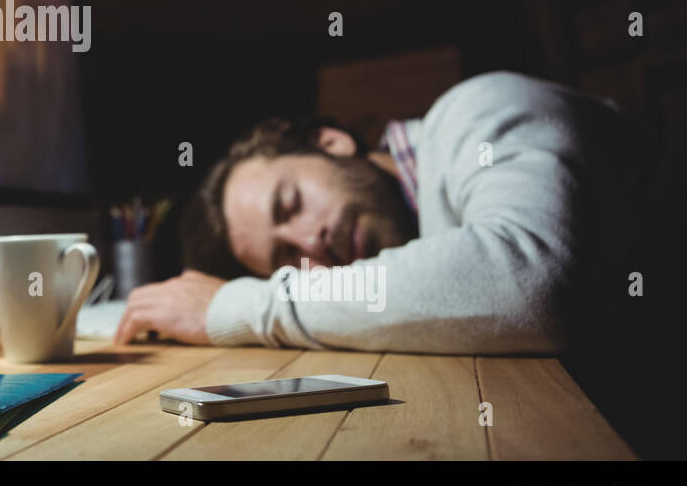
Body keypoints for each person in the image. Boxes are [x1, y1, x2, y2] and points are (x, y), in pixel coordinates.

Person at [112, 71, 640, 355]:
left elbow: (533, 285)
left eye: (290, 203)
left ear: (333, 142)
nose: (310, 241)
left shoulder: (478, 109)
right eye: (284, 259)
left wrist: (237, 308)